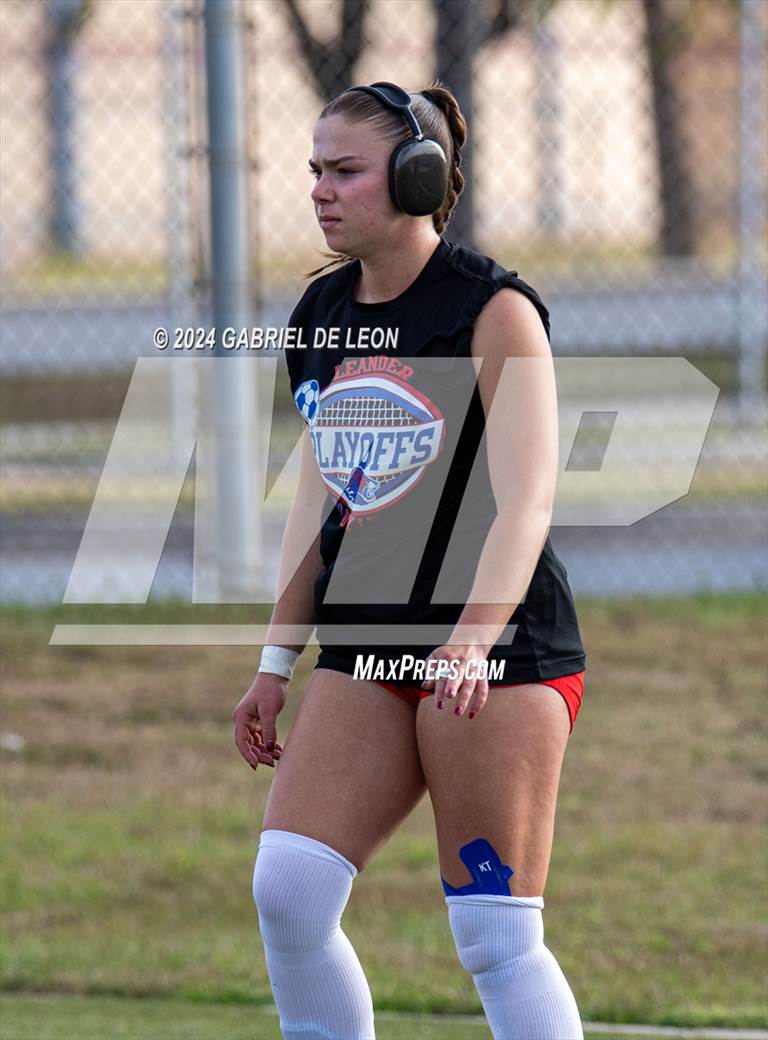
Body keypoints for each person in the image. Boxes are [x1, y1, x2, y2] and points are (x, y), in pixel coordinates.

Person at [233, 80, 586, 1040]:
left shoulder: (493, 310)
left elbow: (528, 501)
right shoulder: (318, 315)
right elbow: (319, 498)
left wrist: (470, 644)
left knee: (494, 934)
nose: (320, 190)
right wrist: (275, 662)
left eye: (345, 170)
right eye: (315, 170)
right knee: (291, 892)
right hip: (370, 637)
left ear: (418, 176)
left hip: (497, 652)